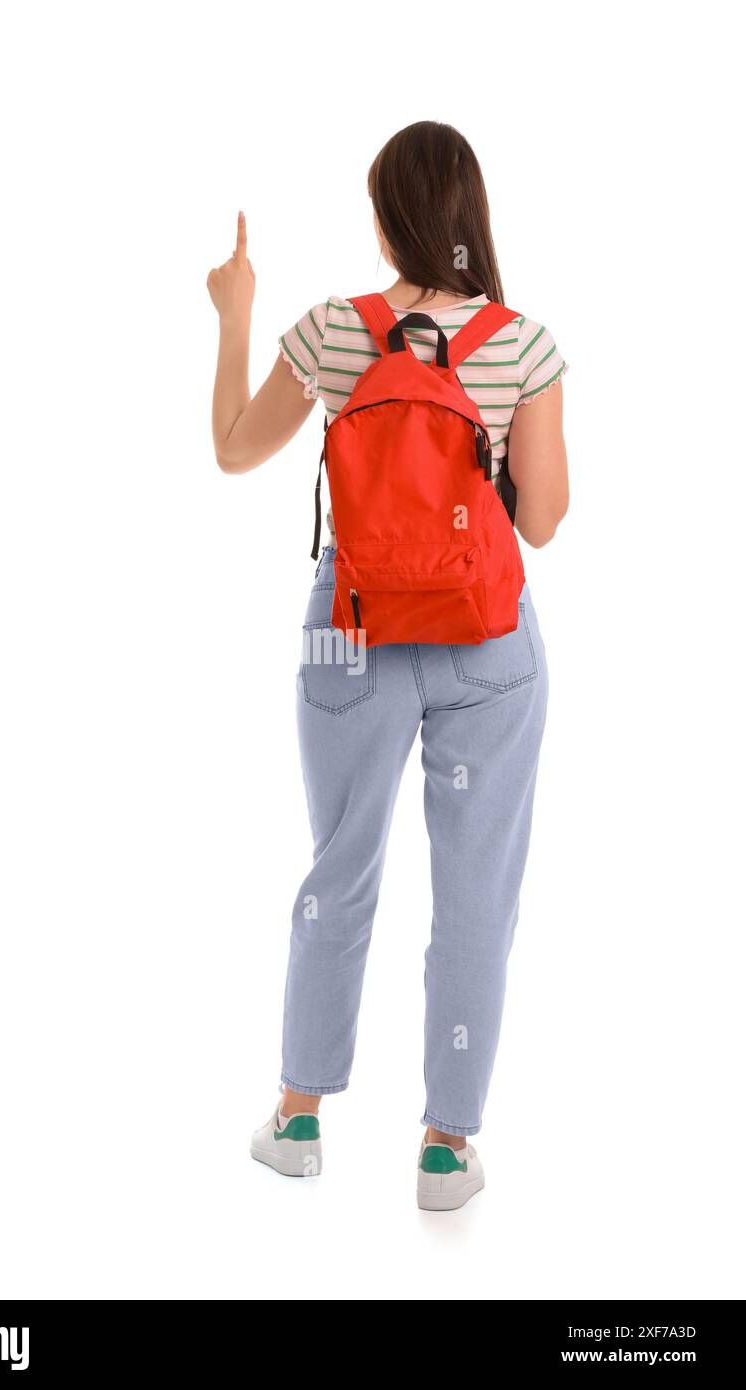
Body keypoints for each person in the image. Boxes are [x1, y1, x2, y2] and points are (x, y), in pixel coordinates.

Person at [207, 121, 569, 1210]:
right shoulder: (523, 342)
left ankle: (299, 1116)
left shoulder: (331, 329)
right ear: (472, 217)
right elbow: (542, 522)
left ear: (384, 220)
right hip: (487, 635)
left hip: (346, 626)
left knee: (338, 868)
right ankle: (446, 1148)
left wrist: (231, 315)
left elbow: (232, 446)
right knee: (475, 896)